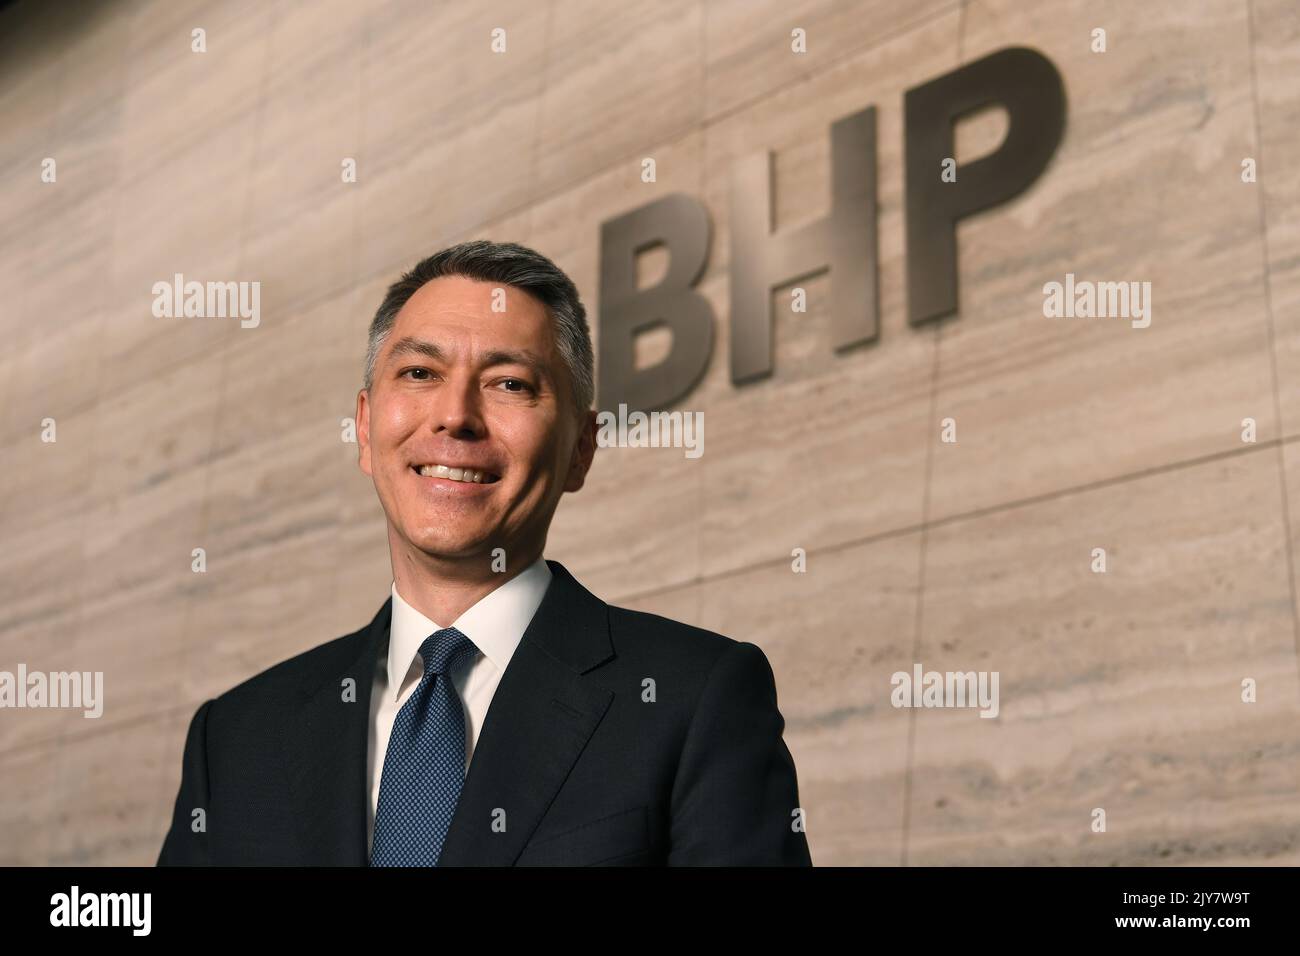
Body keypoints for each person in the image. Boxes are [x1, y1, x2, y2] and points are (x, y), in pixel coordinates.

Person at [157, 239, 812, 866]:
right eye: (419, 373)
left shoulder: (696, 700)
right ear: (363, 427)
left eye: (509, 384)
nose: (455, 416)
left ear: (581, 448)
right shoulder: (237, 738)